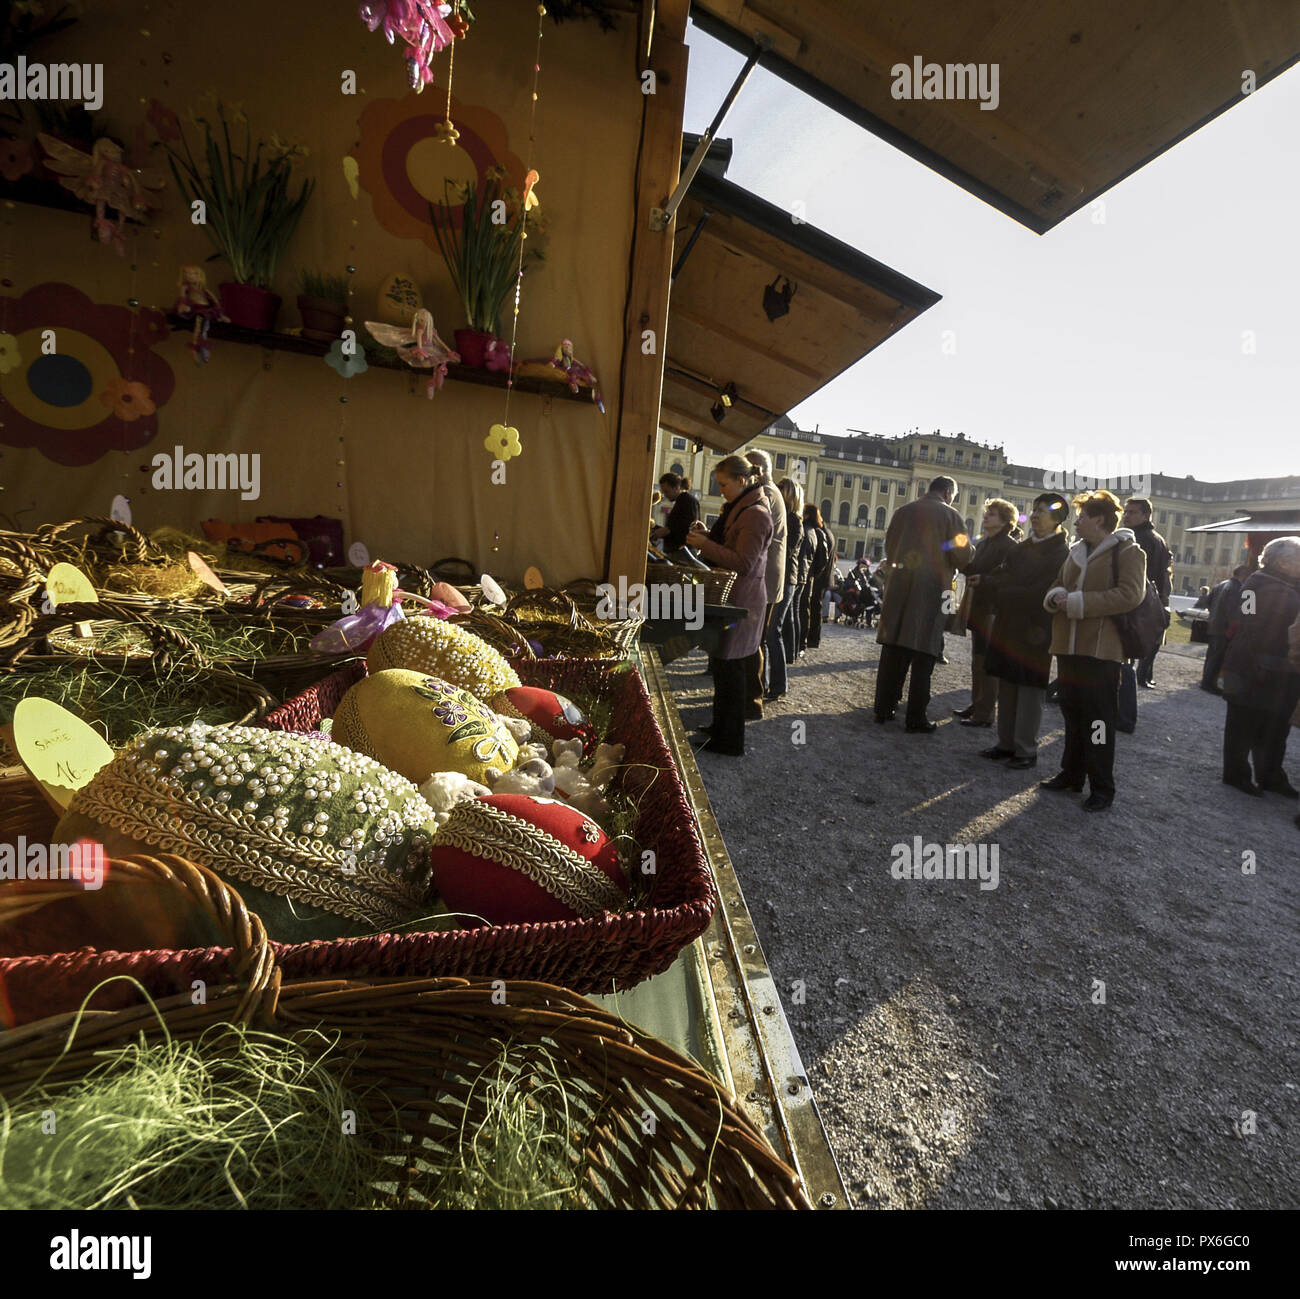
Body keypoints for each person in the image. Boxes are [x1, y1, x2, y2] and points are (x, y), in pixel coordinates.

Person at [1040, 490, 1147, 811]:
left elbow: (1130, 595)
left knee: (1099, 721)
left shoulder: (1129, 551)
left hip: (1102, 650)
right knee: (1072, 713)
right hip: (1069, 646)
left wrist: (1077, 603)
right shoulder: (1075, 551)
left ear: (1099, 519)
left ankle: (1102, 786)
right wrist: (1056, 595)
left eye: (1083, 516)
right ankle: (1071, 774)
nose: (1077, 521)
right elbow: (1057, 583)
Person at [686, 456, 773, 756]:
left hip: (742, 600)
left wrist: (704, 545)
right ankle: (721, 729)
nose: (720, 489)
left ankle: (730, 740)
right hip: (735, 598)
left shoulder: (755, 514)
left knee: (732, 670)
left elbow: (743, 562)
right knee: (724, 667)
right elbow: (735, 548)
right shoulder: (745, 508)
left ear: (741, 480)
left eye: (724, 484)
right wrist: (707, 537)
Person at [977, 493, 1071, 769]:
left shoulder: (1060, 553)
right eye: (1034, 509)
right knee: (1007, 684)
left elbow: (1041, 591)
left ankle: (1026, 749)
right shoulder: (1022, 547)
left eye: (1042, 511)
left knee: (1029, 691)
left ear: (1057, 519)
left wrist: (1003, 590)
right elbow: (1003, 573)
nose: (1035, 515)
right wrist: (986, 580)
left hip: (1035, 631)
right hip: (1009, 624)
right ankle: (1005, 743)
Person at [873, 476, 974, 732]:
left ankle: (883, 709)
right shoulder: (951, 516)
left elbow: (890, 547)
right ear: (949, 492)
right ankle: (915, 717)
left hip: (898, 588)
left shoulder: (902, 511)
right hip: (932, 592)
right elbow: (962, 555)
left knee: (893, 651)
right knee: (924, 655)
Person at [1219, 537, 1300, 798]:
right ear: (1284, 562)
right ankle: (1236, 774)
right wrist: (1259, 658)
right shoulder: (1256, 584)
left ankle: (1270, 775)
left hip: (1276, 667)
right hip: (1252, 664)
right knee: (1242, 723)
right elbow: (1247, 622)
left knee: (1275, 726)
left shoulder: (1283, 584)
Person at [954, 498, 1021, 728]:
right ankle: (977, 704)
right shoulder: (984, 543)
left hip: (994, 609)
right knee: (977, 661)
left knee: (989, 663)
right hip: (979, 606)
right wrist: (959, 559)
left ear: (1004, 520)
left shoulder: (1010, 546)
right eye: (986, 514)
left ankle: (984, 713)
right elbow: (973, 569)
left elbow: (1009, 578)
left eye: (991, 515)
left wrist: (984, 580)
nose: (985, 517)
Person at [743, 450, 788, 721]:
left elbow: (757, 534)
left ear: (757, 470)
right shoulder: (768, 492)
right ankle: (754, 694)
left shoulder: (767, 495)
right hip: (767, 575)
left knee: (757, 639)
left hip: (766, 578)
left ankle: (754, 699)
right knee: (759, 638)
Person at [1121, 498, 1172, 688]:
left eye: (1132, 512)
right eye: (1126, 512)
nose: (1126, 516)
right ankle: (1143, 676)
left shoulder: (1137, 539)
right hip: (1153, 598)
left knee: (1125, 651)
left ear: (1146, 515)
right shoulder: (1158, 538)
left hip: (1137, 598)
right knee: (1142, 642)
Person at [768, 477, 807, 701]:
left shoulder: (793, 521)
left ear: (790, 495)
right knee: (770, 633)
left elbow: (786, 550)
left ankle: (779, 684)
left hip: (786, 580)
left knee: (774, 631)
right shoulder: (785, 518)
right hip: (780, 578)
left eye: (781, 489)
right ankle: (770, 683)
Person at [1202, 564, 1252, 693]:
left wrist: (1214, 615)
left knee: (1211, 655)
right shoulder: (1237, 588)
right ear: (1243, 574)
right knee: (1218, 657)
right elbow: (1233, 610)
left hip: (1214, 624)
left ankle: (1206, 681)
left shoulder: (1222, 584)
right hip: (1225, 627)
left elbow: (1207, 602)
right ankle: (1209, 684)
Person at [800, 506, 830, 655]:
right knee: (809, 609)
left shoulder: (816, 532)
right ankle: (808, 640)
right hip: (814, 577)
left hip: (812, 577)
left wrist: (813, 574)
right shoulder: (823, 532)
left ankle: (807, 640)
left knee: (807, 609)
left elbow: (821, 560)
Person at [651, 473, 699, 553]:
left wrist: (667, 530)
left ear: (677, 487)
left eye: (667, 491)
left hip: (683, 551)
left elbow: (688, 528)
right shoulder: (683, 501)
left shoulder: (687, 501)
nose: (665, 495)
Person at [808, 516, 837, 648]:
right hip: (824, 577)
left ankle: (813, 638)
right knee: (816, 609)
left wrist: (815, 574)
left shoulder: (822, 534)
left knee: (814, 609)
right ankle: (814, 638)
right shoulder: (829, 533)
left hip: (819, 578)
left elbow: (821, 560)